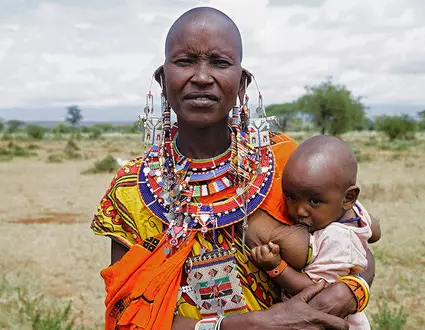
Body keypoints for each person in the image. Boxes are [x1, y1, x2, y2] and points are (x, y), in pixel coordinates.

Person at [90, 7, 375, 330]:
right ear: (162, 80)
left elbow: (354, 242)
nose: (201, 76)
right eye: (184, 61)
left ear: (241, 84)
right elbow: (126, 314)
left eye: (219, 62)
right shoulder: (131, 191)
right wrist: (248, 326)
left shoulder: (284, 159)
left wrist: (350, 292)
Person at [248, 135, 381, 329]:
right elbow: (375, 232)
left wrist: (275, 267)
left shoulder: (337, 239)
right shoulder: (355, 210)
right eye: (291, 197)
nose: (299, 211)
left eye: (314, 201)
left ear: (349, 197)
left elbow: (314, 290)